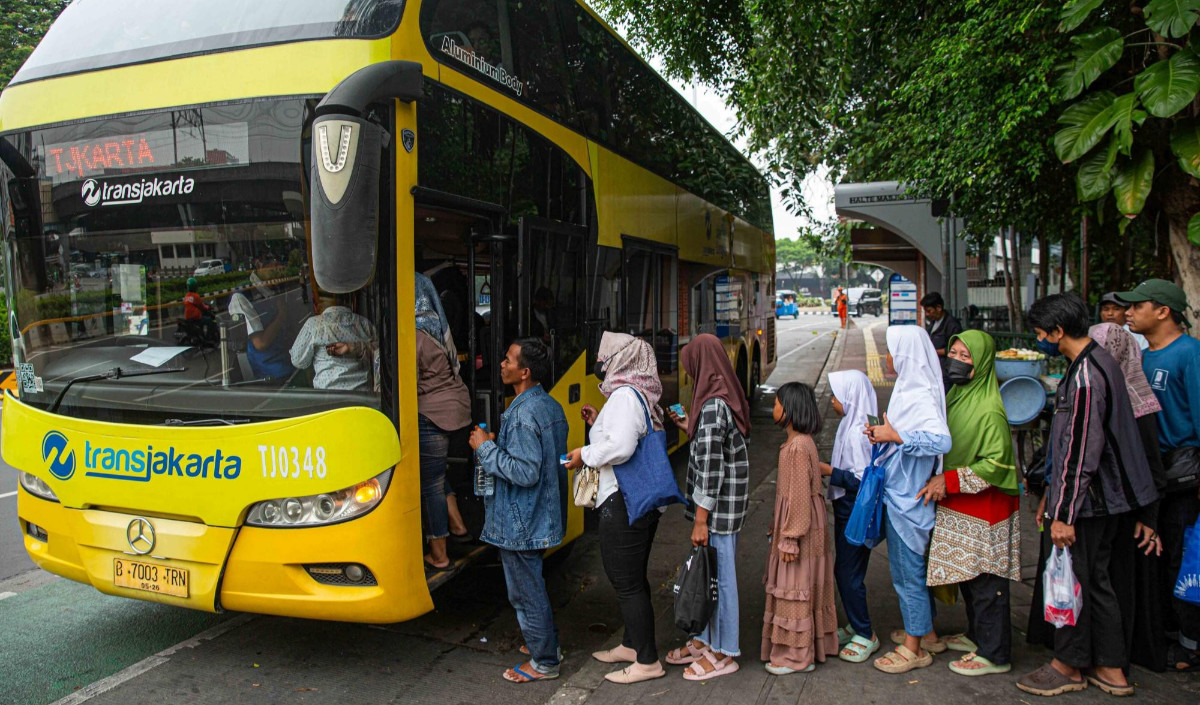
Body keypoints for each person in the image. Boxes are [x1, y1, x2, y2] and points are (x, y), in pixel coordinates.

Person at [1016, 293, 1157, 697]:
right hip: (1106, 497)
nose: (1040, 340)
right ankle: (1110, 668)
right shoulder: (1101, 361)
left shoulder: (1085, 377)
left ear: (1058, 331)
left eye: (1041, 333)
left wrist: (1063, 513)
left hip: (1090, 501)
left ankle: (1069, 664)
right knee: (1096, 580)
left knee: (1073, 580)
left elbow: (1080, 453)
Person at [564, 332, 667, 684]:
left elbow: (621, 448)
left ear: (621, 358)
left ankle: (648, 662)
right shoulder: (636, 392)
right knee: (633, 578)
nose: (599, 362)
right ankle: (632, 645)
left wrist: (584, 454)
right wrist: (598, 424)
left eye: (603, 356)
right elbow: (625, 436)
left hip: (624, 500)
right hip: (636, 499)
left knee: (626, 582)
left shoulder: (624, 395)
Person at [918, 331, 1021, 677]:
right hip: (960, 505)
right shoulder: (958, 395)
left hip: (986, 510)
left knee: (986, 582)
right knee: (969, 577)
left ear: (983, 365)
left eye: (966, 357)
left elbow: (995, 464)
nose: (956, 362)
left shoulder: (989, 410)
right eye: (955, 353)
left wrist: (947, 481)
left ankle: (995, 654)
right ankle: (978, 636)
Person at [469, 338, 569, 683]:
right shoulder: (549, 405)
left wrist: (485, 449)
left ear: (524, 372)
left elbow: (526, 473)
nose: (502, 364)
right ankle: (546, 644)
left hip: (521, 520)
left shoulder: (524, 414)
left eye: (509, 360)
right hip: (540, 515)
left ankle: (544, 662)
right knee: (532, 587)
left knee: (526, 593)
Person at [1119, 278, 1200, 671]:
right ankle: (1164, 633)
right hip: (1148, 477)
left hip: (1183, 477)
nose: (1128, 312)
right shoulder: (1141, 357)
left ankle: (1190, 642)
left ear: (1163, 311)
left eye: (1138, 306)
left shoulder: (1189, 354)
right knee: (1153, 557)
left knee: (1181, 558)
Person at [863, 325, 951, 674]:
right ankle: (926, 633)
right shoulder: (908, 387)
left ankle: (914, 649)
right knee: (910, 572)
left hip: (909, 502)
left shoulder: (919, 395)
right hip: (901, 494)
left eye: (890, 349)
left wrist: (897, 436)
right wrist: (884, 435)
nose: (887, 357)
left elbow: (941, 441)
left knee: (907, 576)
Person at [665, 333, 751, 681]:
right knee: (711, 575)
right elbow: (716, 446)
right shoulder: (721, 395)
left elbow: (712, 468)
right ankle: (704, 639)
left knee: (721, 580)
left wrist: (701, 519)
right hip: (725, 507)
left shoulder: (713, 406)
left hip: (719, 512)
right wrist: (689, 425)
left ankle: (724, 652)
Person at [1090, 322, 1168, 672]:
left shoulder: (1137, 399)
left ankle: (1117, 658)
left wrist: (1149, 518)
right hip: (1104, 505)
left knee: (1120, 583)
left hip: (1130, 511)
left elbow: (1151, 467)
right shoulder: (1095, 390)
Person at [762, 382, 839, 674]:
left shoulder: (795, 448)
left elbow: (797, 497)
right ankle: (809, 649)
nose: (774, 408)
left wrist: (790, 538)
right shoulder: (804, 442)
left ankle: (795, 656)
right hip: (809, 522)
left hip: (800, 527)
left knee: (794, 584)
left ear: (790, 411)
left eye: (777, 403)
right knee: (807, 584)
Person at [409, 274, 472, 571]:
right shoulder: (434, 326)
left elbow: (405, 384)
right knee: (432, 471)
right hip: (456, 407)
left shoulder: (412, 335)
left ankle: (439, 554)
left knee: (429, 484)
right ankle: (457, 523)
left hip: (432, 413)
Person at [823, 370, 882, 663]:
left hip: (855, 510)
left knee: (848, 572)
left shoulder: (860, 432)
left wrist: (828, 471)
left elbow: (860, 480)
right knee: (848, 570)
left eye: (836, 396)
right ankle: (855, 624)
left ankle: (865, 632)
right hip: (847, 508)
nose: (832, 401)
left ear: (850, 397)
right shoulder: (855, 422)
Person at [289, 294, 377, 391]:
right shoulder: (364, 323)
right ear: (352, 302)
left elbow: (298, 361)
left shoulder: (313, 325)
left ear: (317, 305)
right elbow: (378, 355)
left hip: (328, 395)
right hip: (363, 394)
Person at [228, 270, 295, 380]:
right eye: (273, 266)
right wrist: (281, 315)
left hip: (289, 358)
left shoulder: (270, 287)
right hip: (272, 370)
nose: (278, 269)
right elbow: (261, 343)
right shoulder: (241, 296)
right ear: (260, 266)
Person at [921, 292, 964, 358]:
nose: (927, 314)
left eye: (929, 311)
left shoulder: (952, 324)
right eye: (925, 311)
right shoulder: (932, 322)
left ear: (939, 308)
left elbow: (955, 349)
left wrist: (933, 352)